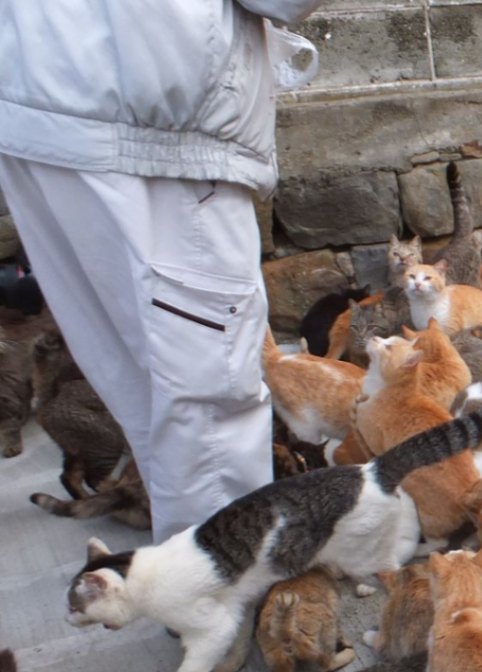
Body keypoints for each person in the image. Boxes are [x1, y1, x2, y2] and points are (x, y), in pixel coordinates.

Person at [0, 1, 327, 541]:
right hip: (150, 111)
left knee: (140, 383)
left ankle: (181, 563)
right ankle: (224, 598)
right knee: (209, 399)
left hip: (38, 92)